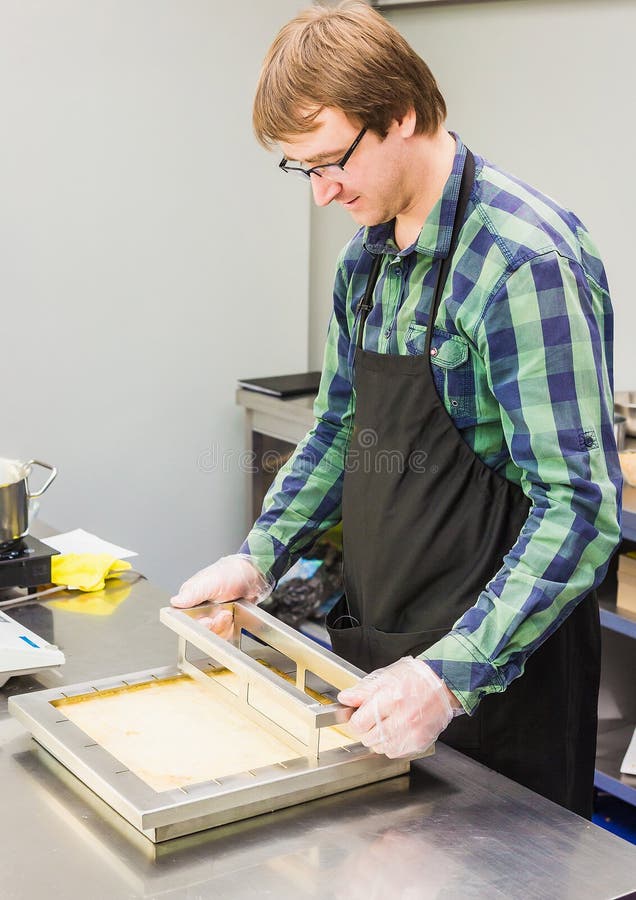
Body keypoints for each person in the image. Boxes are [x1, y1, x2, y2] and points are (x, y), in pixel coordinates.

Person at [171, 1, 622, 818]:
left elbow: (582, 509)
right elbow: (342, 431)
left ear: (403, 114)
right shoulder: (366, 263)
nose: (320, 194)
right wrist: (260, 555)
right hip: (383, 660)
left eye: (329, 162)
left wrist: (447, 677)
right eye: (300, 170)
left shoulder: (523, 263)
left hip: (495, 693)